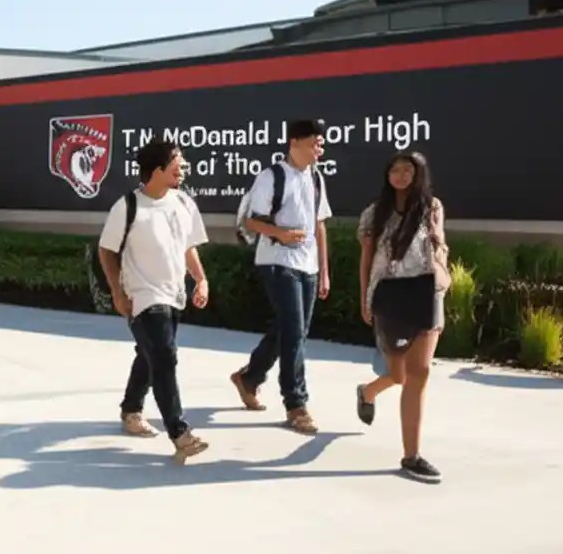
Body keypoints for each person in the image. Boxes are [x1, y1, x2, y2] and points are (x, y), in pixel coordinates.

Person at [98, 139, 211, 464]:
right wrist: (117, 292)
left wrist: (200, 279)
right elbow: (107, 249)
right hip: (142, 296)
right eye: (177, 162)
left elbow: (188, 247)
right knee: (164, 355)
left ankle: (131, 409)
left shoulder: (184, 203)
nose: (183, 168)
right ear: (157, 169)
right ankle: (180, 433)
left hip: (173, 293)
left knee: (151, 355)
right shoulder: (128, 206)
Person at [231, 118, 332, 435]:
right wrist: (281, 234)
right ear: (295, 143)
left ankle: (249, 377)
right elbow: (252, 221)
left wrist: (325, 271)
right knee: (293, 331)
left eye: (321, 143)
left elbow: (320, 226)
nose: (320, 148)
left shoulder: (316, 178)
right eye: (315, 142)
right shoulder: (272, 176)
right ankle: (296, 404)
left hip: (309, 265)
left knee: (293, 330)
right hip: (276, 260)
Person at [355, 151, 448, 482]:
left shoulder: (431, 208)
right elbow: (366, 259)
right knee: (398, 375)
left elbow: (440, 248)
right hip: (390, 295)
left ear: (419, 174)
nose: (401, 175)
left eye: (408, 170)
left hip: (426, 292)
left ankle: (411, 456)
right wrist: (366, 298)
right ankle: (367, 391)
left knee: (419, 372)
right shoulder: (374, 213)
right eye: (394, 170)